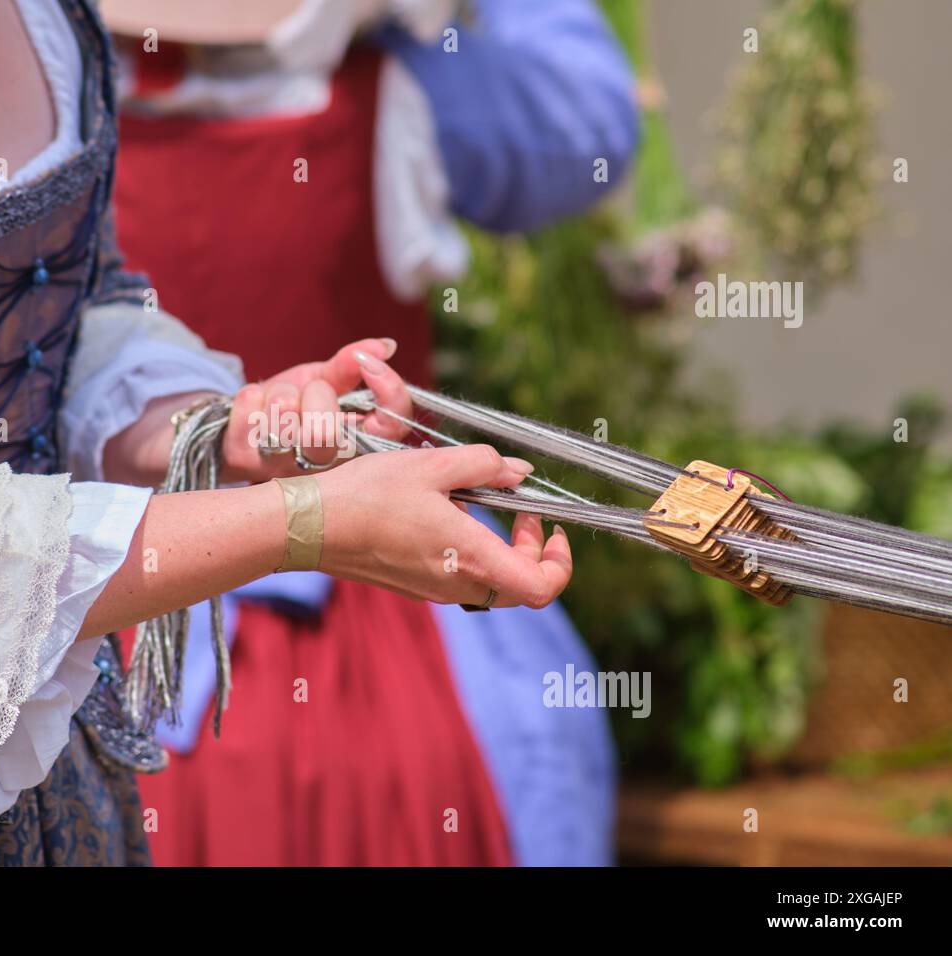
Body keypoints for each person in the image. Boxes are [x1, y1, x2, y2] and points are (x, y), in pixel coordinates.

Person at [0, 0, 571, 865]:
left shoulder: (50, 21)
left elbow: (71, 325)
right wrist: (305, 524)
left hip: (57, 775)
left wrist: (218, 429)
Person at [104, 0, 638, 864]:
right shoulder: (406, 97)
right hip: (387, 581)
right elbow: (590, 131)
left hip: (132, 591)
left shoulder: (43, 119)